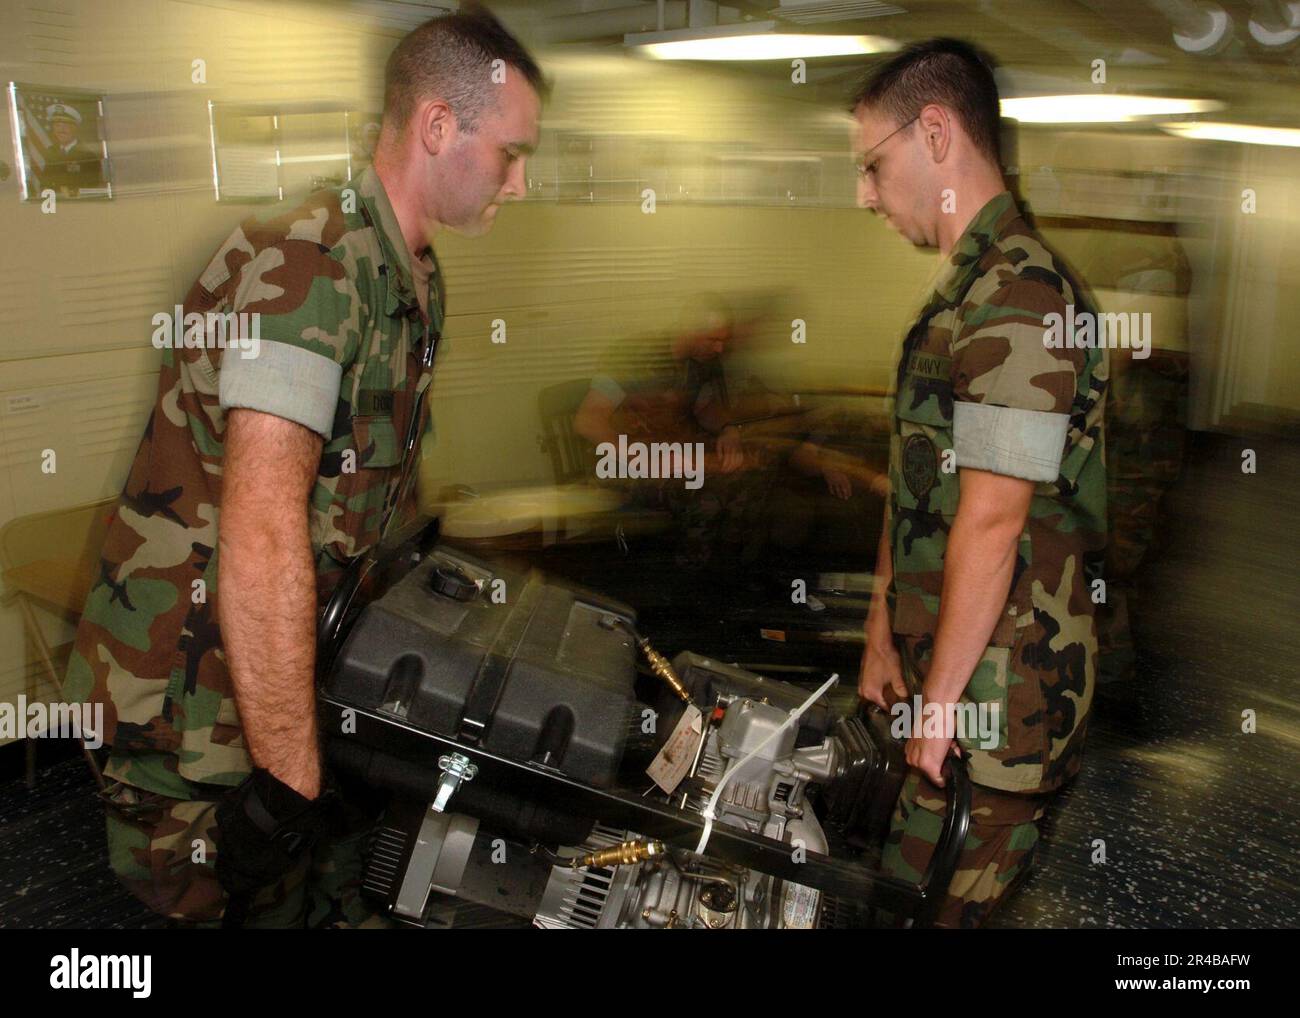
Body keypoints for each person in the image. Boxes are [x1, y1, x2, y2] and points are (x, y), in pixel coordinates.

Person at [63, 6, 544, 928]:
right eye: (512, 154)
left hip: (284, 679)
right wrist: (289, 782)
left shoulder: (412, 276)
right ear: (438, 126)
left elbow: (371, 506)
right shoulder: (311, 267)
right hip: (191, 707)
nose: (519, 185)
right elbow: (264, 528)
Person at [850, 39, 1108, 927]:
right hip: (948, 678)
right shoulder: (968, 289)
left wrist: (943, 707)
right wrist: (883, 628)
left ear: (933, 133)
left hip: (998, 701)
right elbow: (918, 481)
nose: (865, 193)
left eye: (872, 166)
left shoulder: (1021, 297)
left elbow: (994, 523)